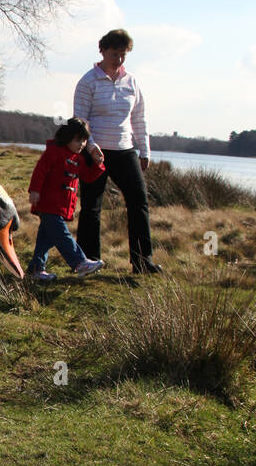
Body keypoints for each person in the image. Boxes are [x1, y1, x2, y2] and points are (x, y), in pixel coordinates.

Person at [73, 29, 162, 274]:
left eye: (123, 55)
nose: (118, 59)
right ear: (102, 51)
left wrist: (144, 150)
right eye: (114, 54)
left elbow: (139, 118)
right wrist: (90, 148)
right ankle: (89, 261)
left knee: (139, 202)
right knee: (92, 207)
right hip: (95, 151)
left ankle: (143, 262)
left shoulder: (131, 82)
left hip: (125, 151)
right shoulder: (87, 81)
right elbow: (80, 121)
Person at [27, 117, 106, 281]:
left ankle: (35, 270)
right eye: (78, 140)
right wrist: (35, 191)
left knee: (45, 239)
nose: (82, 145)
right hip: (49, 205)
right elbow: (40, 171)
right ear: (67, 137)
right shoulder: (54, 152)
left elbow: (88, 177)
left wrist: (98, 164)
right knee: (62, 236)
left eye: (84, 141)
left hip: (61, 207)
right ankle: (80, 263)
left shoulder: (79, 159)